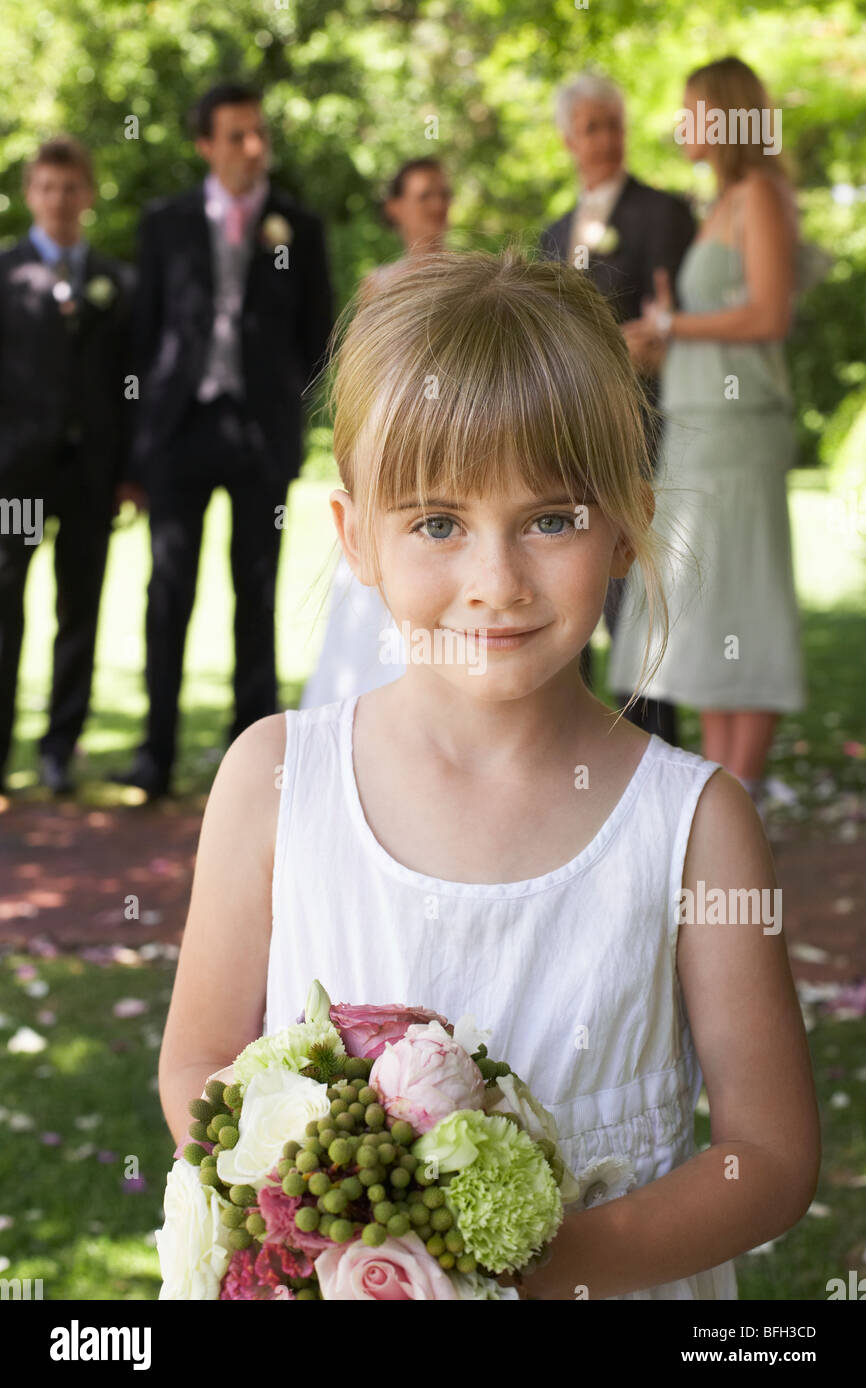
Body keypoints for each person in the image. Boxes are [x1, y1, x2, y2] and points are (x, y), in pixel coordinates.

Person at [159, 248, 819, 1299]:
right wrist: (311, 1218)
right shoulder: (275, 779)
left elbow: (770, 1160)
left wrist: (497, 1274)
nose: (494, 581)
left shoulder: (691, 823)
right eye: (436, 523)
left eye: (551, 518)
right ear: (355, 536)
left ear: (623, 523)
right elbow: (197, 1065)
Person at [112, 82, 334, 797]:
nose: (253, 147)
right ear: (205, 144)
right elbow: (143, 334)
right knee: (169, 587)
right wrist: (135, 449)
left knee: (257, 589)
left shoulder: (298, 225)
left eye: (258, 133)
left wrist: (292, 418)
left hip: (259, 433)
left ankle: (254, 760)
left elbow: (318, 336)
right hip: (180, 430)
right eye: (236, 135)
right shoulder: (164, 223)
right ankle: (156, 755)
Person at [611, 56, 807, 798]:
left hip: (740, 430)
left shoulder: (761, 195)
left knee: (746, 606)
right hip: (699, 428)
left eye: (694, 110)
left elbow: (767, 314)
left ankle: (745, 796)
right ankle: (727, 796)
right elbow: (710, 328)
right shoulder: (721, 203)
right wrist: (660, 339)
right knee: (713, 611)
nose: (681, 125)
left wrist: (673, 322)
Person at [540, 73, 695, 746]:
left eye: (615, 124)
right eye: (593, 127)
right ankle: (573, 747)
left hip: (643, 430)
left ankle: (653, 752)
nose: (607, 139)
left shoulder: (664, 212)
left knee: (638, 595)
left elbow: (676, 320)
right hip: (564, 442)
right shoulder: (551, 234)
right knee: (571, 588)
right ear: (568, 138)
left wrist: (645, 343)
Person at [0, 136, 135, 796]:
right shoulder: (4, 274)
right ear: (31, 194)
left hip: (91, 477)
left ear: (88, 193)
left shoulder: (118, 280)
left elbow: (131, 380)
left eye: (70, 187)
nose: (58, 200)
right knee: (5, 611)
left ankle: (60, 750)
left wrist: (128, 469)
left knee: (80, 610)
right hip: (15, 479)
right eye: (46, 187)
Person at [301, 157, 452, 709]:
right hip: (399, 450)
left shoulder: (474, 277)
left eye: (442, 194)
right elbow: (361, 383)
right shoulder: (380, 286)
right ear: (395, 209)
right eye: (423, 195)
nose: (436, 206)